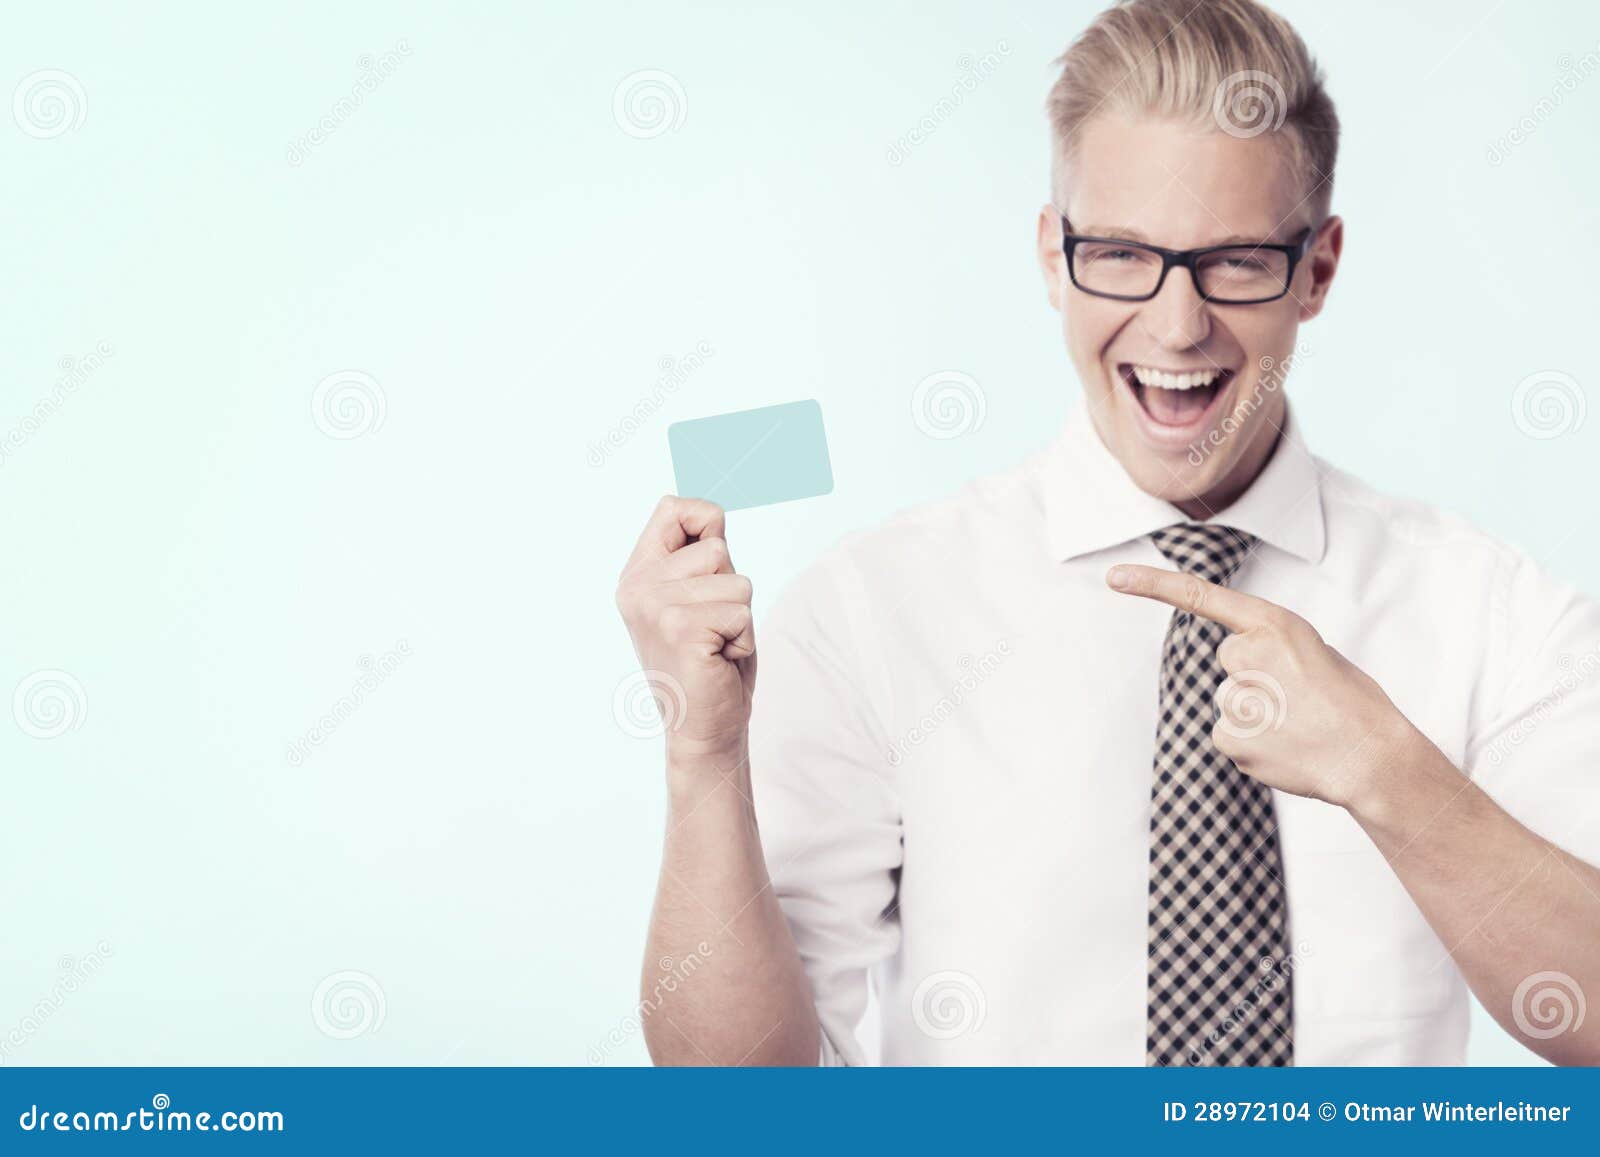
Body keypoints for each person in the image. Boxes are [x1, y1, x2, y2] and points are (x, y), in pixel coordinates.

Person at [615, 0, 1600, 1065]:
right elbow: (739, 1097)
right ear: (1053, 256)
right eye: (1123, 256)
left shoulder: (1493, 614)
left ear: (1316, 269)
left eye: (1234, 262)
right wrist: (705, 755)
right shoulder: (874, 609)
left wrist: (1392, 774)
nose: (1176, 326)